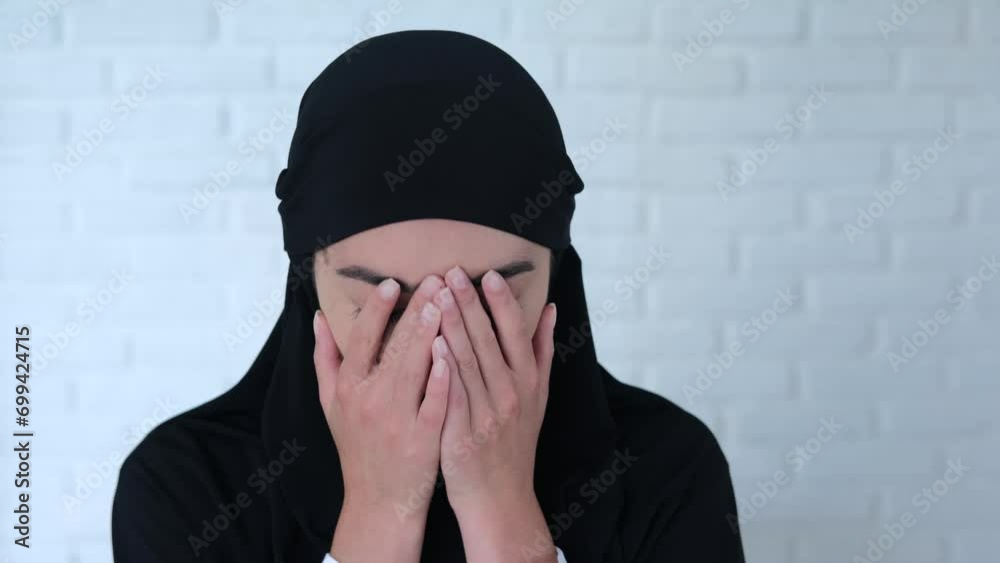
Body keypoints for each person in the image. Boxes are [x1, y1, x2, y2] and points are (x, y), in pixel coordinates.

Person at [111, 30, 746, 563]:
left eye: (490, 295)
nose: (438, 339)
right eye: (378, 302)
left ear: (558, 274)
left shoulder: (670, 474)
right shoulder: (188, 491)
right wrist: (382, 512)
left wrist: (502, 511)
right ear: (308, 282)